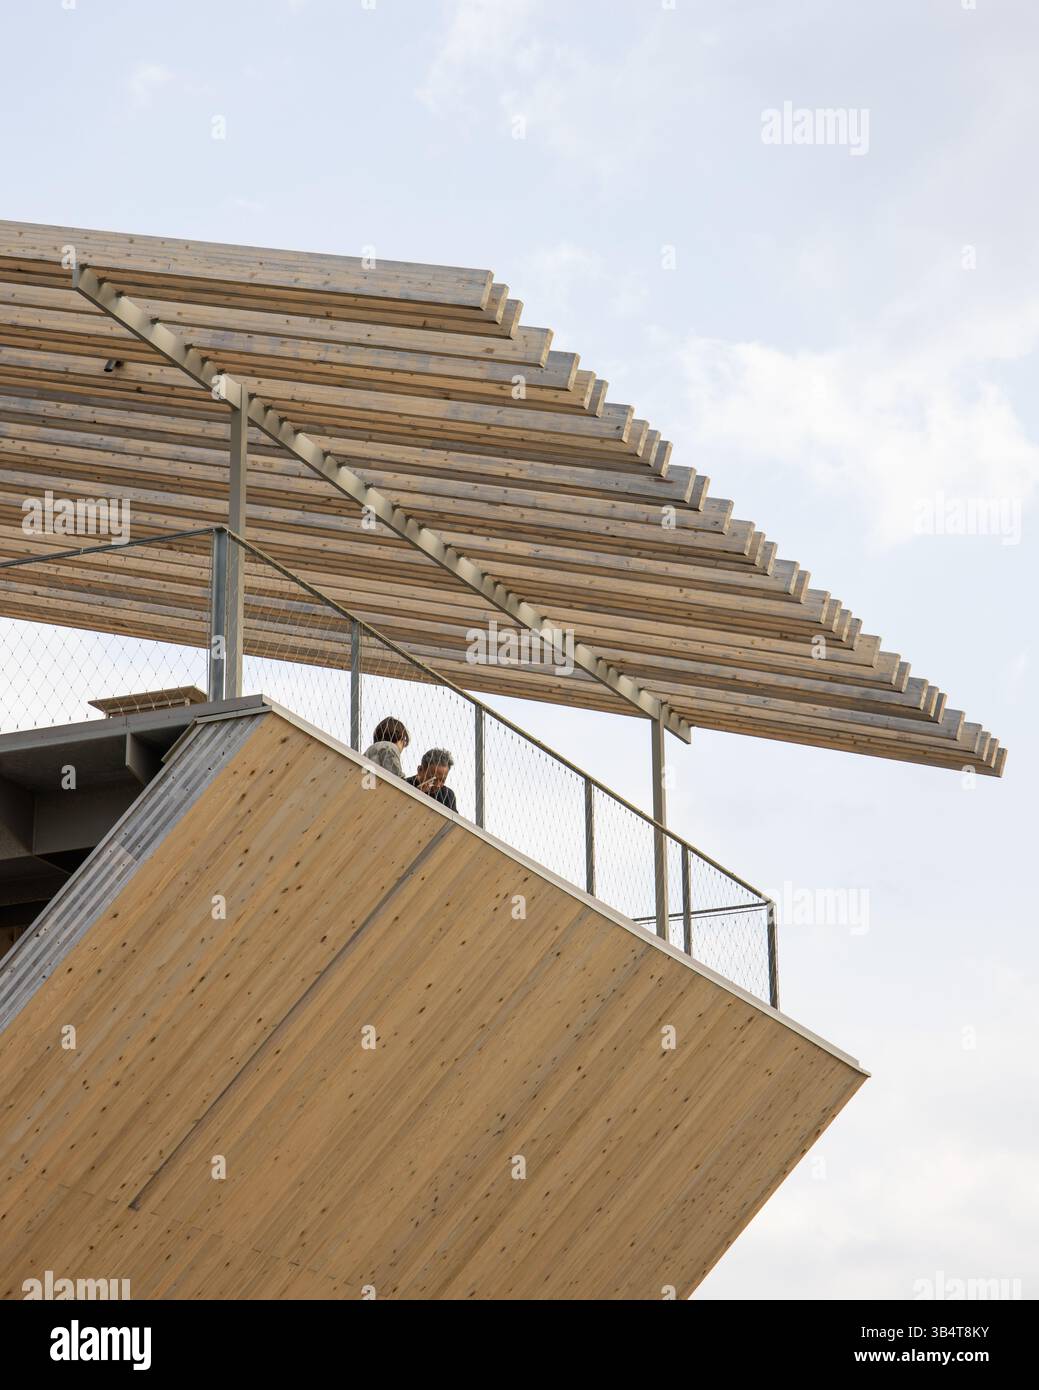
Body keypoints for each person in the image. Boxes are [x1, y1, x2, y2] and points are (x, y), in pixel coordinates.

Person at [407, 747, 457, 812]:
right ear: (420, 770)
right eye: (433, 779)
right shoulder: (403, 785)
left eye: (442, 780)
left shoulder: (448, 796)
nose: (438, 785)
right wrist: (417, 794)